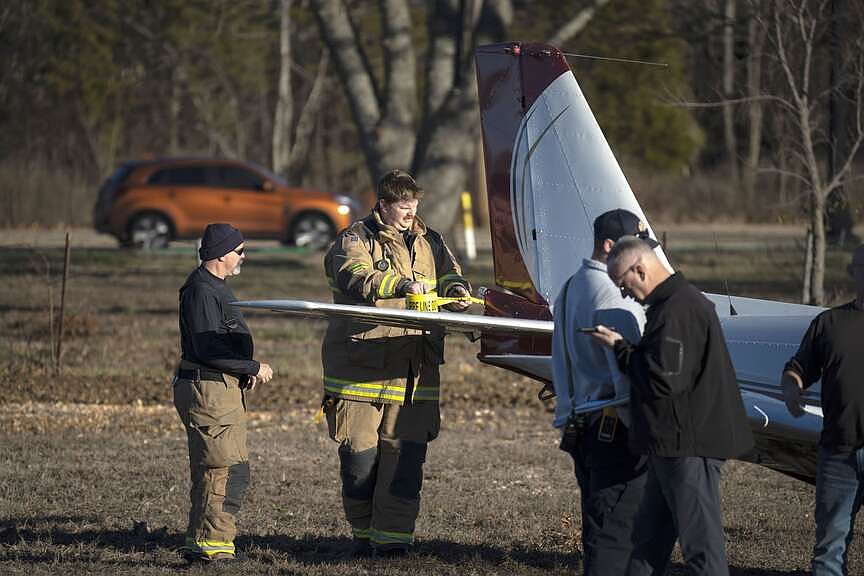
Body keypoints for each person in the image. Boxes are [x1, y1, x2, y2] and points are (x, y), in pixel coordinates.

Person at [321, 169, 472, 557]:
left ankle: (393, 544)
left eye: (415, 206)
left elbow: (454, 275)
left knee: (406, 463)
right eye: (403, 207)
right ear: (384, 205)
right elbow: (355, 277)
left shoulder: (431, 240)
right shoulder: (354, 238)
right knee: (360, 462)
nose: (410, 214)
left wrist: (456, 292)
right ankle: (363, 535)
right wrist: (402, 287)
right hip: (361, 370)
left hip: (415, 372)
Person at [591, 236, 754, 576]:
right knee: (649, 541)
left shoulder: (679, 310)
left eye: (623, 284)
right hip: (670, 444)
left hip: (687, 445)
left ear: (640, 268)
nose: (625, 293)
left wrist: (622, 350)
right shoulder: (673, 306)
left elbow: (664, 379)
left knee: (701, 548)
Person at [551, 209, 650, 574]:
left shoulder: (572, 285)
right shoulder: (612, 293)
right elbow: (624, 375)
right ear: (609, 246)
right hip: (615, 428)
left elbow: (560, 358)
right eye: (634, 248)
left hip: (582, 425)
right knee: (617, 536)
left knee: (600, 531)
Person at [174, 222, 274, 562]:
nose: (243, 257)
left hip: (222, 389)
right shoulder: (202, 290)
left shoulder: (215, 286)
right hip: (209, 390)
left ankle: (206, 541)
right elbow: (207, 348)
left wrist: (238, 370)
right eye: (239, 251)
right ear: (220, 255)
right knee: (222, 469)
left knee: (228, 468)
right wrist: (251, 367)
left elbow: (220, 343)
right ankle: (211, 546)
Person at [781, 244, 864, 576]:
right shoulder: (830, 323)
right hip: (838, 455)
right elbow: (798, 368)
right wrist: (791, 387)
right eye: (863, 266)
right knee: (829, 549)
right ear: (853, 273)